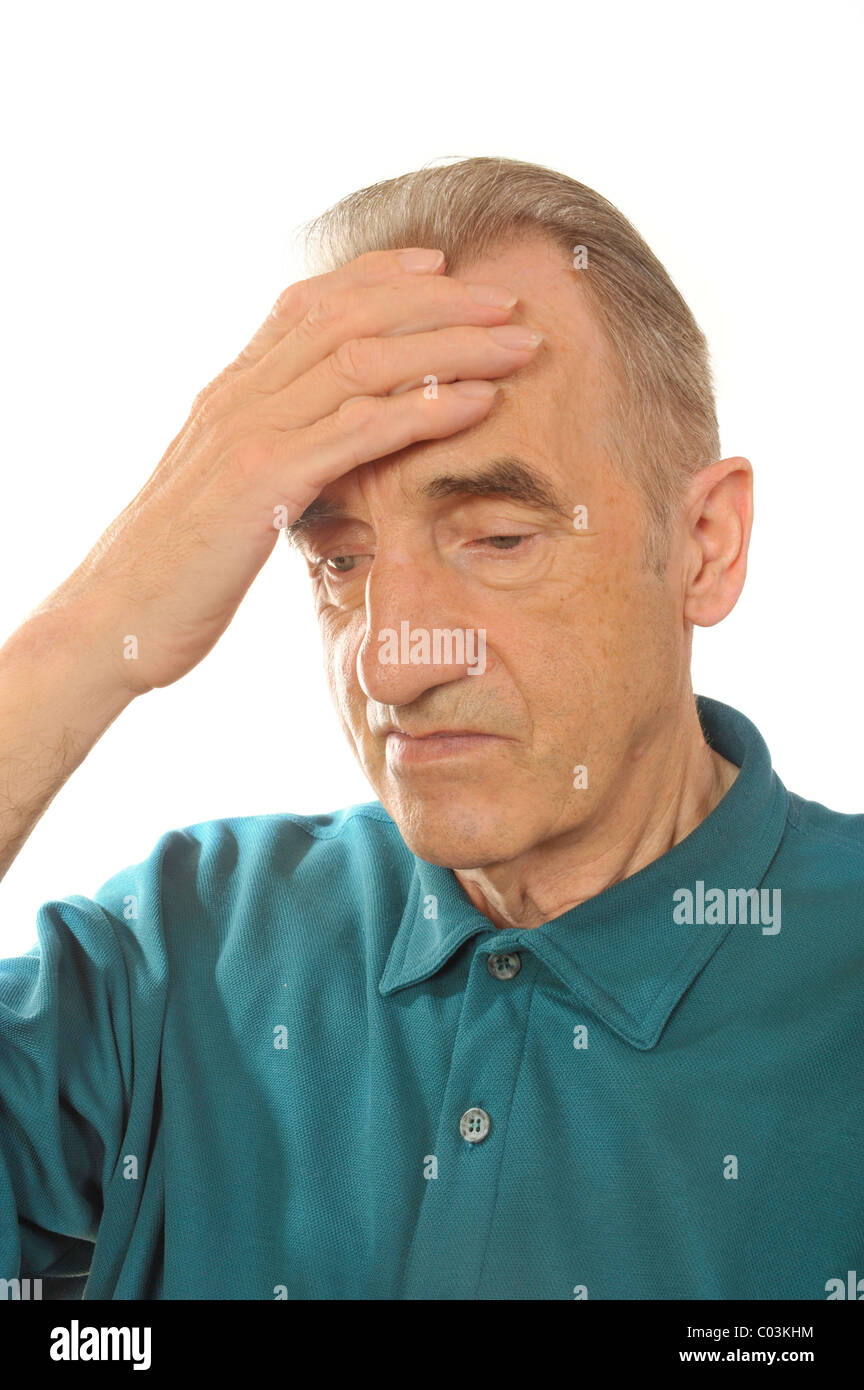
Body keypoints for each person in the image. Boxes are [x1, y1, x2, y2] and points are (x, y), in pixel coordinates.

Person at [0, 157, 860, 1301]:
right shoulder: (167, 955)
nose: (392, 658)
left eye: (498, 538)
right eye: (339, 559)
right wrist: (94, 629)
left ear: (705, 543)